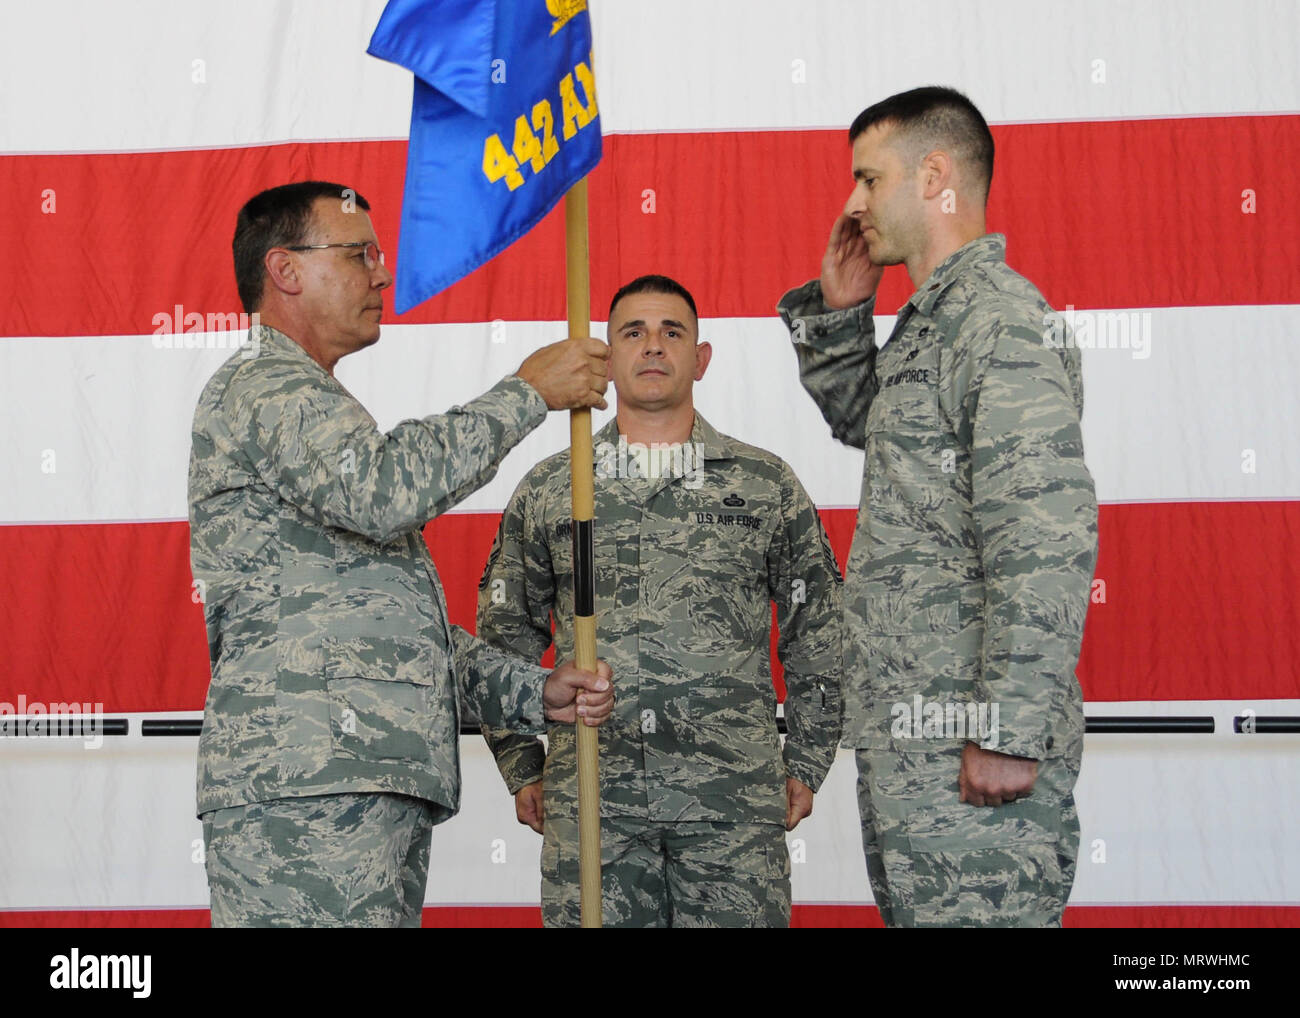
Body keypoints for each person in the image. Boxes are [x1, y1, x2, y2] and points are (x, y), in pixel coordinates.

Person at [189, 180, 615, 927]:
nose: (383, 275)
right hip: (307, 786)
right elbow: (384, 489)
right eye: (359, 255)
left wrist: (529, 691)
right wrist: (525, 393)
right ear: (285, 270)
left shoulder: (311, 404)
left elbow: (386, 629)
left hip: (347, 782)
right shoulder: (264, 386)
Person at [776, 87, 1098, 927]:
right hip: (915, 744)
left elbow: (1044, 535)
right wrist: (841, 319)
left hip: (972, 743)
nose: (852, 203)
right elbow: (875, 430)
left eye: (867, 179)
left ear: (934, 174)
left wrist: (1009, 728)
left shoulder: (1001, 325)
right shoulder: (930, 325)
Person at [478, 274, 843, 927]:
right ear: (609, 360)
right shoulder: (553, 490)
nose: (653, 347)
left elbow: (820, 627)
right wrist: (519, 760)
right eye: (633, 333)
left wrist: (808, 759)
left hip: (730, 807)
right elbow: (503, 632)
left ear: (700, 359)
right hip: (594, 805)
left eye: (672, 332)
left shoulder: (764, 486)